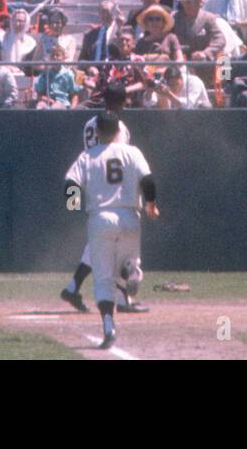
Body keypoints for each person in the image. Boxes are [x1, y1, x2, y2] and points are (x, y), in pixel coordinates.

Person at [64, 111, 159, 349]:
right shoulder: (132, 151)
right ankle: (133, 271)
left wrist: (73, 205)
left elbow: (70, 183)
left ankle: (109, 327)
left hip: (100, 219)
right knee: (125, 265)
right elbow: (148, 180)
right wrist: (151, 204)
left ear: (96, 133)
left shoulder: (88, 155)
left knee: (103, 279)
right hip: (130, 216)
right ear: (119, 131)